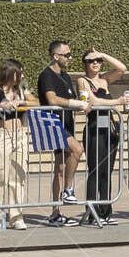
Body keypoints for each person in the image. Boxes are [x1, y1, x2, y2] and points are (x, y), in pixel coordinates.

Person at [77, 49, 129, 224]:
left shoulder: (104, 79)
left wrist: (103, 54)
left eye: (99, 61)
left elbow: (122, 68)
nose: (95, 63)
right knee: (95, 170)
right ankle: (92, 211)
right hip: (94, 128)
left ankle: (106, 211)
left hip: (108, 127)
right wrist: (118, 102)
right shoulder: (82, 81)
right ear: (84, 63)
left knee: (107, 170)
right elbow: (92, 101)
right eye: (91, 60)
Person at [37, 40, 85, 225]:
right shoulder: (47, 75)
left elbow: (68, 98)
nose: (70, 58)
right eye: (67, 55)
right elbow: (51, 99)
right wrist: (75, 103)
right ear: (56, 56)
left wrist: (78, 103)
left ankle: (55, 213)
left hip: (66, 122)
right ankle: (68, 189)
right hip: (53, 124)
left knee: (59, 168)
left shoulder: (65, 76)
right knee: (77, 150)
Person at [0, 60, 37, 232]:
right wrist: (4, 105)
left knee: (18, 175)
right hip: (2, 134)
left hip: (20, 134)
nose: (22, 76)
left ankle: (16, 216)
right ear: (10, 73)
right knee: (0, 175)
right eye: (19, 72)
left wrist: (21, 103)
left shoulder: (21, 89)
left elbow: (36, 102)